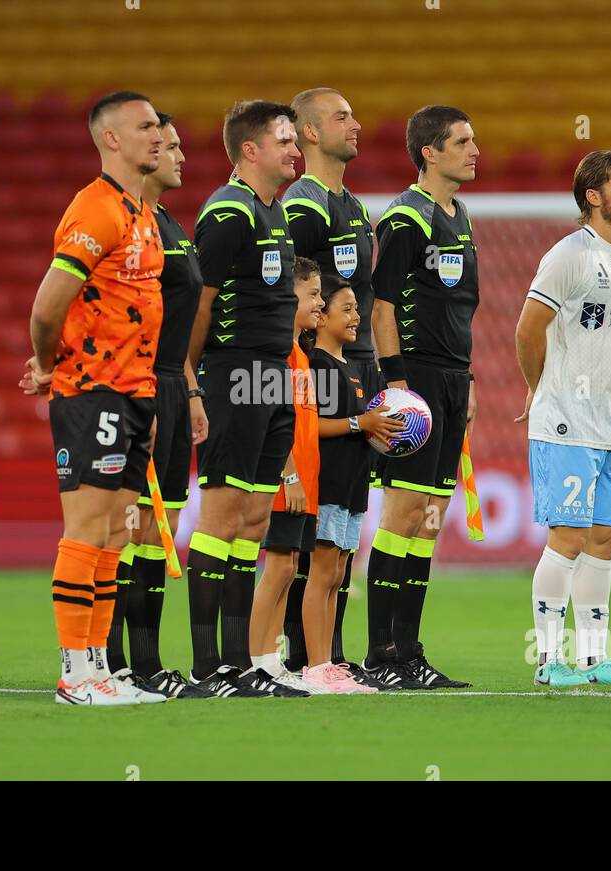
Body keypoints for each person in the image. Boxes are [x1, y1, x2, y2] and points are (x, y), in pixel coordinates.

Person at [20, 91, 168, 706]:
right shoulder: (96, 210)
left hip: (134, 393)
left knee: (114, 533)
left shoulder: (142, 212)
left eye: (159, 125)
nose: (158, 135)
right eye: (145, 127)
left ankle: (99, 670)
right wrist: (52, 366)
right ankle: (72, 673)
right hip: (94, 392)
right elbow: (47, 304)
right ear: (111, 139)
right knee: (85, 531)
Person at [514, 149, 611, 687]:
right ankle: (549, 662)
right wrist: (537, 387)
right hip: (565, 422)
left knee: (603, 540)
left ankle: (597, 660)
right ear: (593, 197)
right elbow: (529, 329)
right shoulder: (569, 255)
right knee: (568, 538)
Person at [184, 100, 301, 697]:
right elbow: (197, 303)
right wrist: (190, 380)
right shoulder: (229, 212)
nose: (294, 147)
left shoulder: (271, 209)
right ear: (250, 150)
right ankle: (210, 667)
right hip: (234, 374)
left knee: (254, 523)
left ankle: (241, 664)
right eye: (284, 139)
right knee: (221, 520)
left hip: (271, 376)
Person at [362, 106, 481, 690]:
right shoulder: (406, 219)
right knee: (402, 515)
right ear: (429, 152)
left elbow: (459, 311)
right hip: (417, 382)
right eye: (461, 141)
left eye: (472, 140)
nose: (473, 150)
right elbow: (381, 306)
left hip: (454, 381)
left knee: (429, 522)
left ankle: (409, 652)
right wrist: (396, 383)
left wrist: (471, 380)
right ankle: (381, 654)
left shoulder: (461, 217)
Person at [103, 112, 215, 700]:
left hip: (172, 385)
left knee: (160, 527)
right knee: (126, 526)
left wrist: (192, 390)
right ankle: (112, 660)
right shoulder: (122, 222)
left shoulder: (170, 224)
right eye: (169, 145)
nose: (180, 156)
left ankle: (145, 663)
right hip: (134, 385)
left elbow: (175, 324)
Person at [280, 88, 378, 679]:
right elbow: (293, 290)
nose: (356, 124)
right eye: (342, 116)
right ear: (311, 132)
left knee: (342, 535)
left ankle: (333, 654)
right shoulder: (303, 205)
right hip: (316, 366)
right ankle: (301, 653)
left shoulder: (357, 208)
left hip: (355, 364)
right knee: (314, 531)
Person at [302, 274, 403, 694]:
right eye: (346, 309)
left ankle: (328, 663)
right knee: (322, 572)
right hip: (328, 483)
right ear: (321, 316)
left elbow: (357, 427)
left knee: (339, 573)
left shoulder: (353, 368)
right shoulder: (318, 366)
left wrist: (380, 431)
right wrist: (361, 422)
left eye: (357, 309)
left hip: (353, 485)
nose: (357, 316)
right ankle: (315, 664)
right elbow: (309, 426)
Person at [242, 257, 324, 697]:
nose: (320, 303)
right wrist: (289, 474)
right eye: (311, 294)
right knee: (276, 568)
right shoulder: (279, 354)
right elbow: (272, 421)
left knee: (289, 568)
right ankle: (257, 662)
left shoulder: (301, 354)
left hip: (303, 482)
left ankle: (270, 662)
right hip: (284, 481)